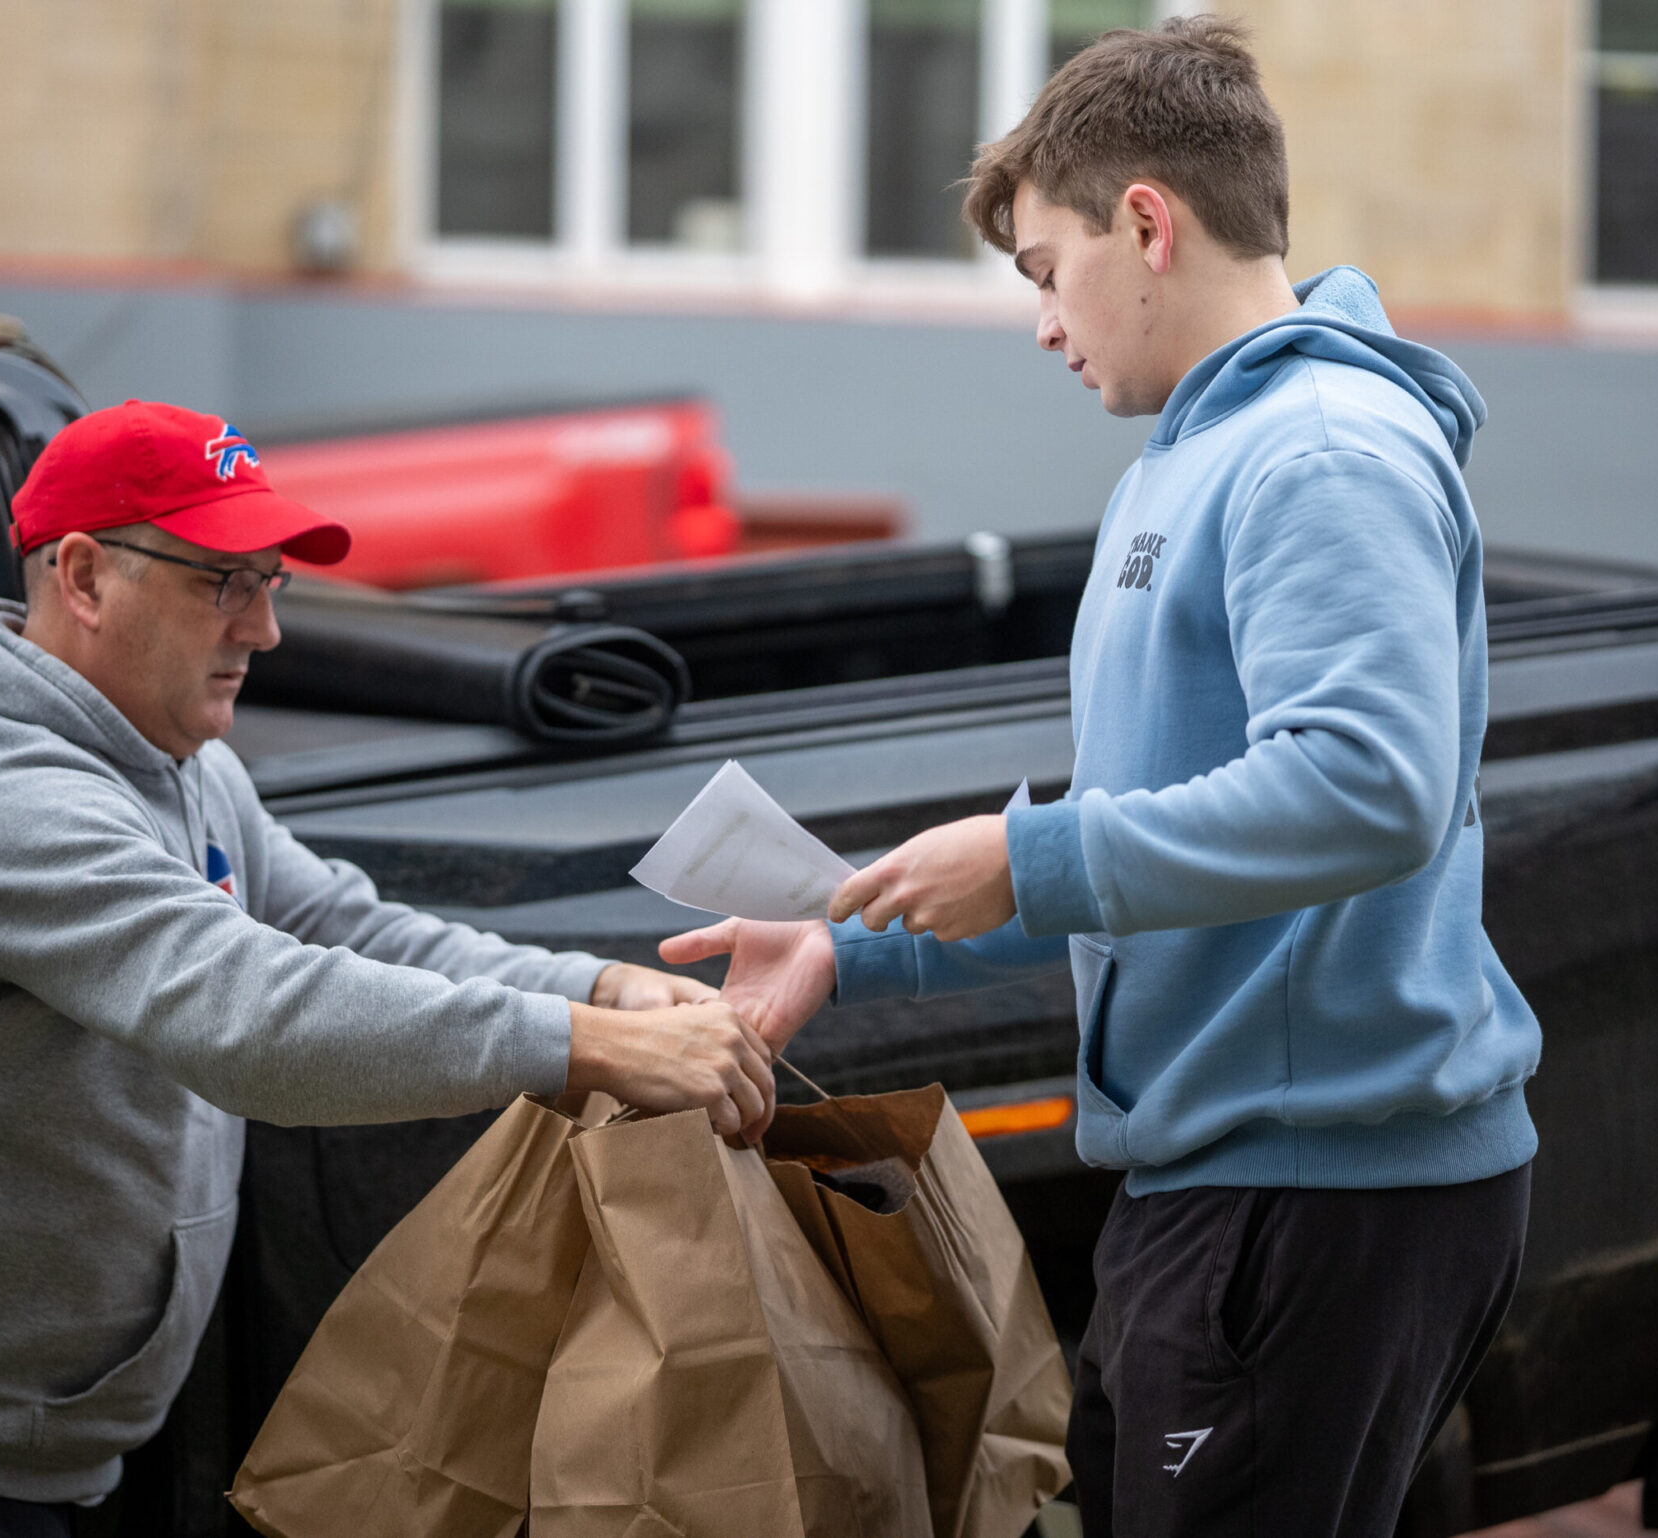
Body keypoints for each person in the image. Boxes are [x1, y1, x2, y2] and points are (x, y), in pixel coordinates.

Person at [664, 18, 1541, 1538]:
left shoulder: (1318, 451)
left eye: (1043, 270)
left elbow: (1366, 788)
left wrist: (1031, 855)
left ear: (1146, 222)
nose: (1043, 325)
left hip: (1309, 1188)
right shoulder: (1197, 455)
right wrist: (846, 947)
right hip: (1235, 1181)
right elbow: (1161, 840)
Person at [0, 399, 776, 1537]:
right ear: (84, 576)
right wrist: (588, 1046)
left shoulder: (179, 760)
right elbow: (253, 1017)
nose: (264, 630)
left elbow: (339, 926)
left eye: (270, 581)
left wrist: (598, 987)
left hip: (18, 1446)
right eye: (223, 583)